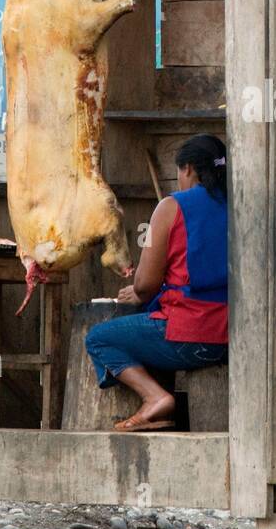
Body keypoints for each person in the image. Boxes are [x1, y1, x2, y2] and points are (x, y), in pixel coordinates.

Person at [84, 134, 229, 432]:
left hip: (189, 334)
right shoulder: (239, 203)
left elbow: (146, 284)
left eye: (179, 173)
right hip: (230, 337)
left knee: (99, 338)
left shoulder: (170, 207)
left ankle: (155, 398)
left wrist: (138, 293)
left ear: (187, 168)